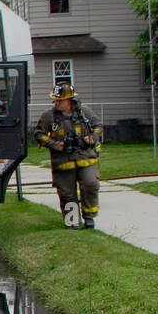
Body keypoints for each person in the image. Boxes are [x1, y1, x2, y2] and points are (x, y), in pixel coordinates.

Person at [34, 84, 102, 229]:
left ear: (69, 100)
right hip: (63, 161)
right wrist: (54, 144)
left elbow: (98, 126)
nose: (56, 103)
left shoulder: (85, 113)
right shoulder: (49, 116)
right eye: (55, 100)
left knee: (91, 183)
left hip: (85, 157)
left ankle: (89, 217)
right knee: (67, 194)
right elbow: (38, 134)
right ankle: (72, 222)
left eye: (60, 100)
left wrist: (92, 137)